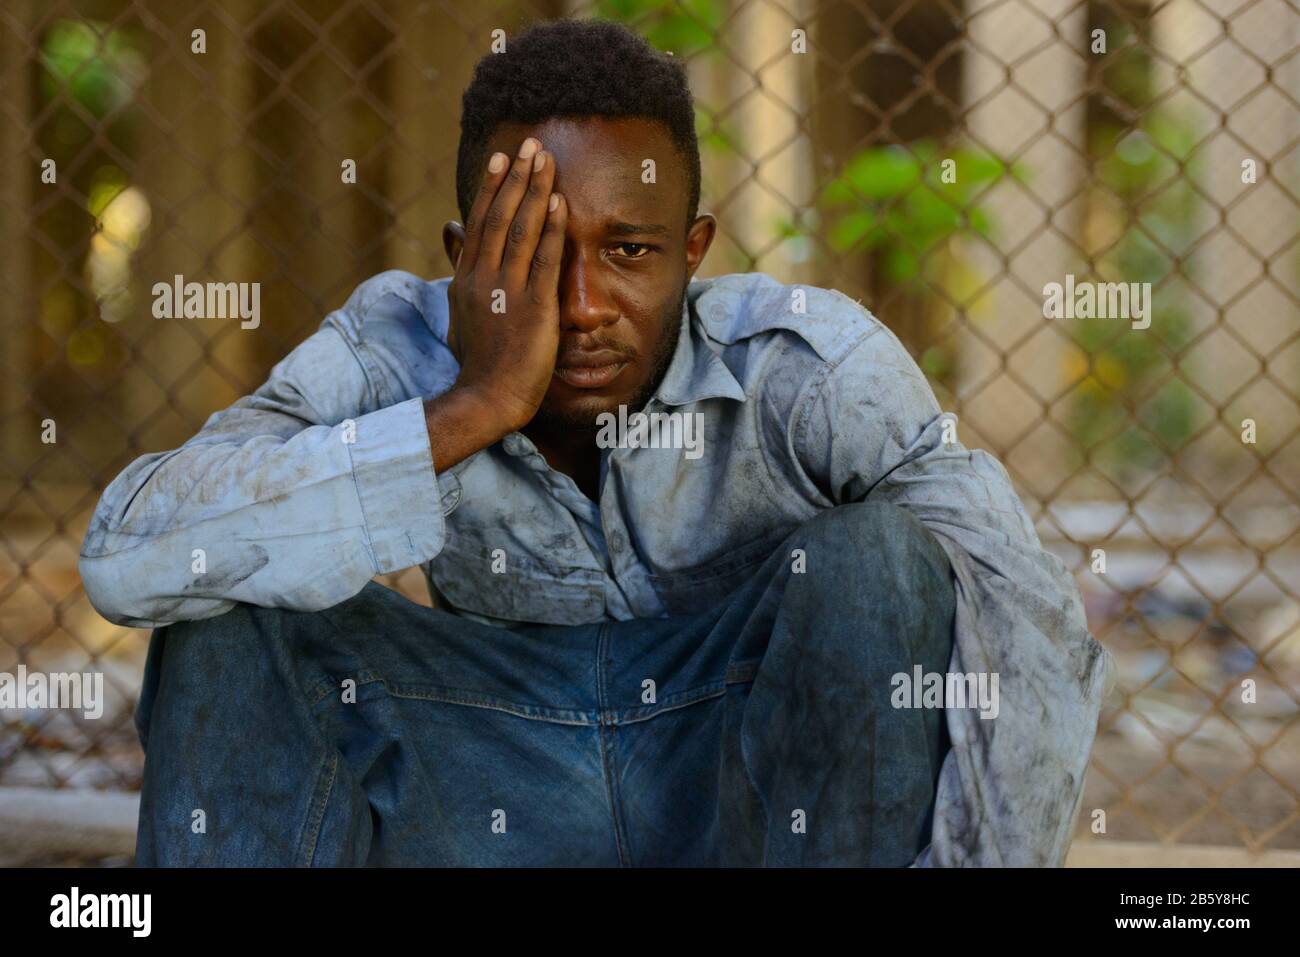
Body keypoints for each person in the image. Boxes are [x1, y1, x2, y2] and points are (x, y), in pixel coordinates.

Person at [80, 18, 1112, 867]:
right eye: (530, 252)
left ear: (692, 251)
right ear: (460, 255)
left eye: (629, 251)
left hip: (738, 795)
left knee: (880, 563)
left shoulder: (808, 365)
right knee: (225, 606)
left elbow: (1023, 625)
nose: (580, 307)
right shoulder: (390, 348)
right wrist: (471, 406)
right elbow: (130, 554)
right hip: (484, 785)